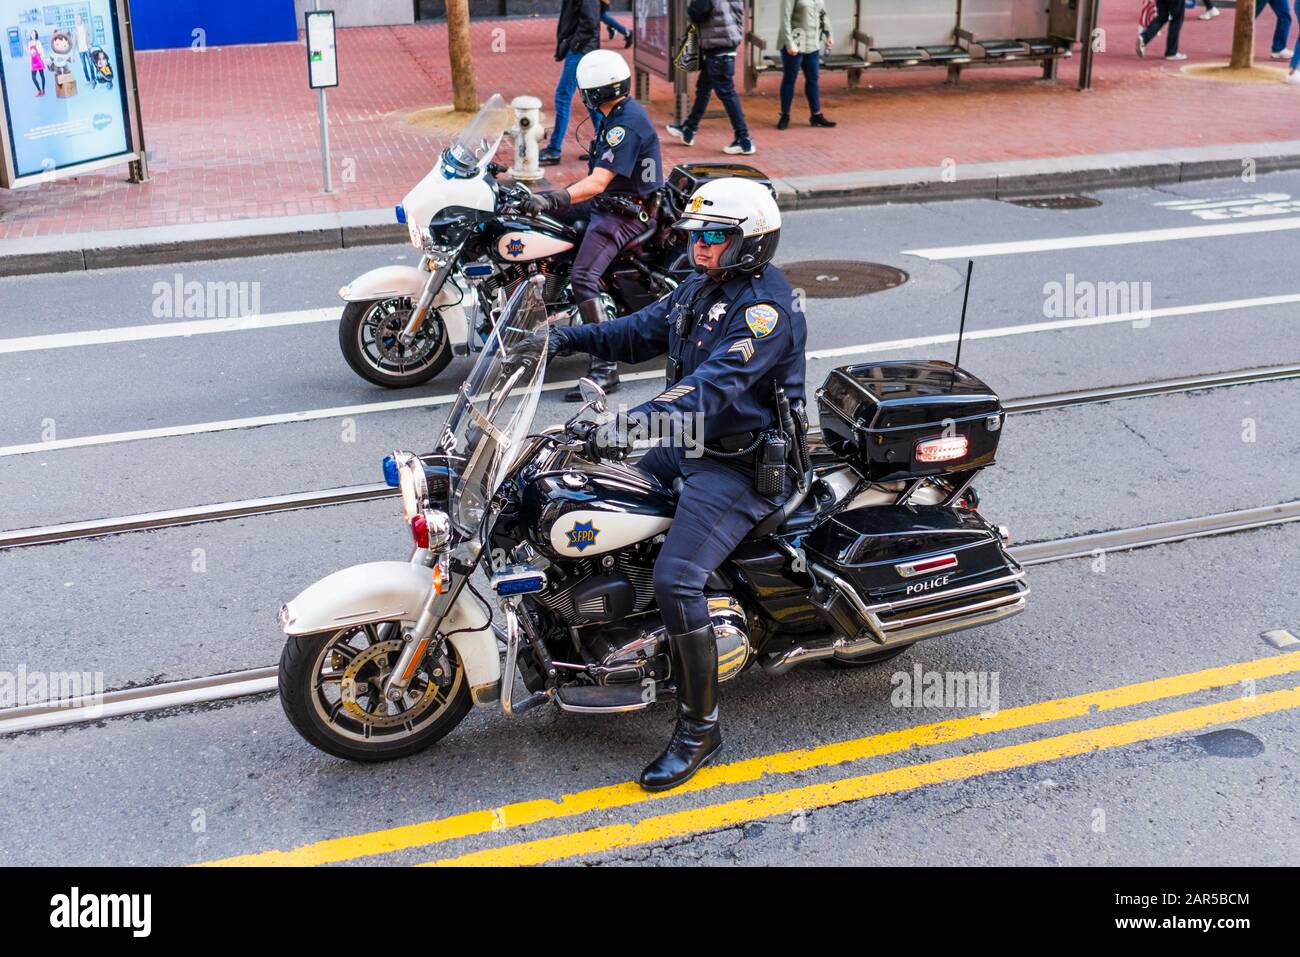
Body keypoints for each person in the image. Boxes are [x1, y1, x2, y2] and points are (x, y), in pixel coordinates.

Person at [546, 178, 806, 791]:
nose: (700, 246)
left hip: (740, 464)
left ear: (751, 241)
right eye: (696, 235)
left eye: (715, 236)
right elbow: (634, 332)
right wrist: (559, 339)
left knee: (677, 577)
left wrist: (626, 427)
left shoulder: (765, 310)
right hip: (693, 444)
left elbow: (709, 390)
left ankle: (700, 728)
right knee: (595, 492)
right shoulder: (700, 286)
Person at [525, 48, 664, 398]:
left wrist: (554, 196)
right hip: (606, 203)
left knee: (583, 277)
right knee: (539, 219)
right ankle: (544, 298)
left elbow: (598, 182)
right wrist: (534, 199)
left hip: (625, 212)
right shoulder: (613, 114)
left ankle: (605, 367)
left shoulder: (625, 125)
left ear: (595, 91)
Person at [664, 0, 755, 155]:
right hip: (725, 45)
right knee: (703, 88)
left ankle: (743, 139)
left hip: (717, 48)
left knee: (726, 92)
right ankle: (689, 129)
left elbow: (697, 13)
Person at [540, 0, 602, 166]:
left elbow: (590, 21)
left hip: (581, 50)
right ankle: (602, 147)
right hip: (582, 48)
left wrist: (574, 45)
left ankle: (554, 149)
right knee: (591, 99)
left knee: (563, 96)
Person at [777, 0, 836, 128]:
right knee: (789, 79)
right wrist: (789, 43)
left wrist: (829, 34)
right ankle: (784, 115)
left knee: (813, 79)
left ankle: (816, 115)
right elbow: (785, 19)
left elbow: (823, 14)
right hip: (796, 40)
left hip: (812, 42)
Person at [27, 30, 47, 97]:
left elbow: (42, 52)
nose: (33, 35)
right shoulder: (29, 43)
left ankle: (43, 90)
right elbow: (29, 53)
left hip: (39, 61)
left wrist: (44, 60)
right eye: (32, 34)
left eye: (34, 34)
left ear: (36, 35)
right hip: (33, 62)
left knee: (42, 76)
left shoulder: (38, 42)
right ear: (31, 35)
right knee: (33, 78)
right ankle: (39, 90)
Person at [75, 13, 93, 84]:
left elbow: (90, 35)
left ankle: (93, 78)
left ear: (81, 19)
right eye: (77, 18)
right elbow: (75, 41)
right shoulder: (75, 29)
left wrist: (90, 43)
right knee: (84, 66)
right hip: (80, 51)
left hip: (87, 49)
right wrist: (73, 53)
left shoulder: (86, 27)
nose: (78, 19)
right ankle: (88, 80)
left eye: (79, 18)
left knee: (91, 64)